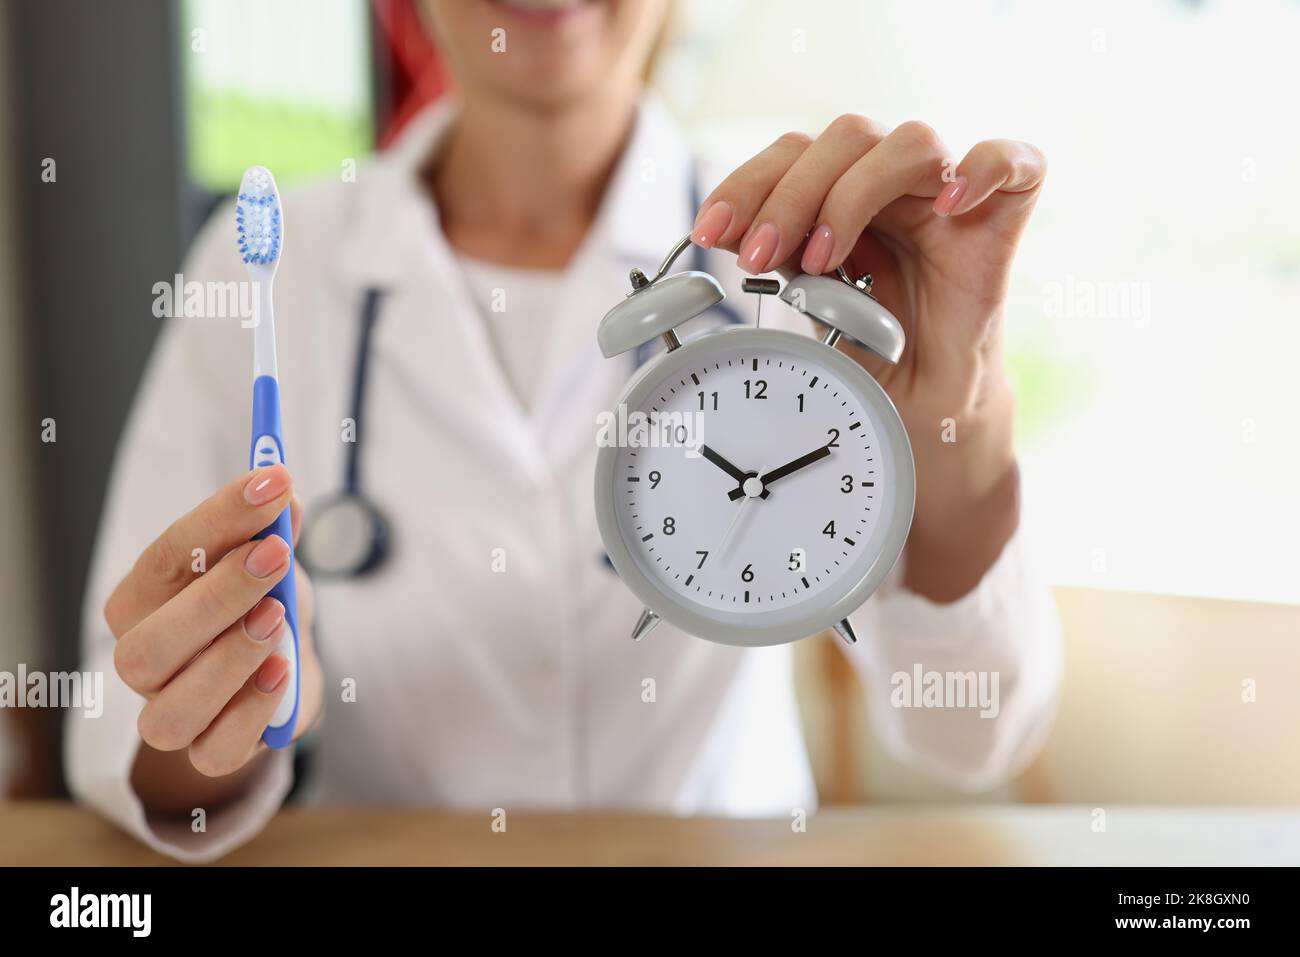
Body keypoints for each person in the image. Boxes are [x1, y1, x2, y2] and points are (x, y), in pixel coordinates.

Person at [68, 0, 1061, 860]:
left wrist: (958, 409)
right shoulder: (275, 268)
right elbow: (125, 754)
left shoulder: (817, 249)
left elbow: (968, 731)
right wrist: (227, 696)